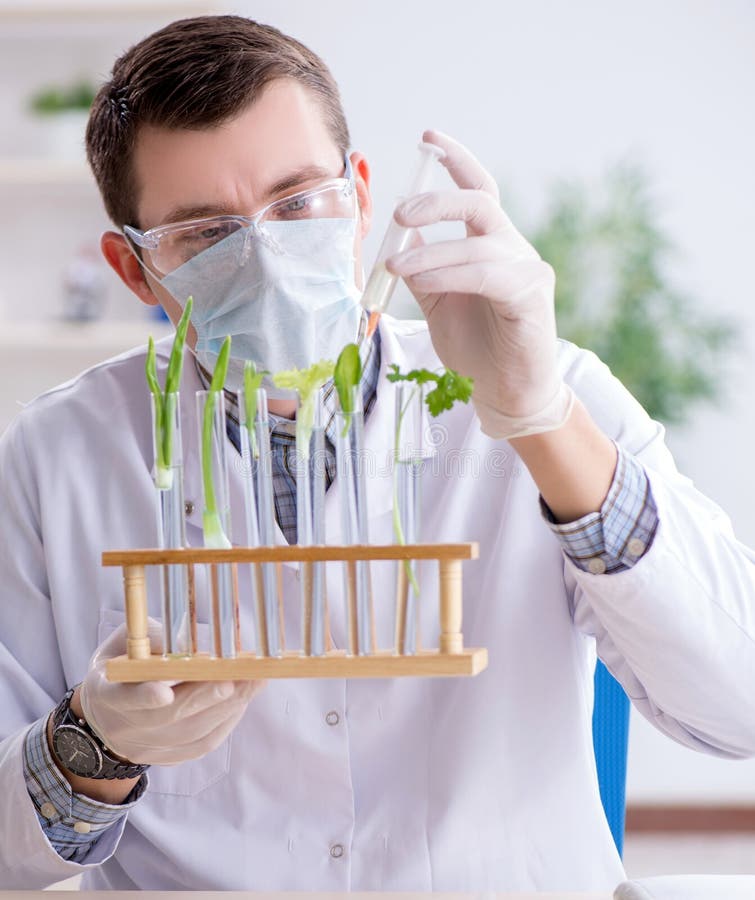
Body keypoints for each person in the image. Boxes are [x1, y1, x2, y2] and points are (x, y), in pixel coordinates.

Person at [0, 14, 753, 893]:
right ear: (135, 273)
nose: (268, 257)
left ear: (358, 198)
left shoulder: (543, 385)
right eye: (206, 233)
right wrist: (95, 744)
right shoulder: (54, 455)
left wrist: (541, 417)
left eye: (298, 202)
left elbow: (737, 707)